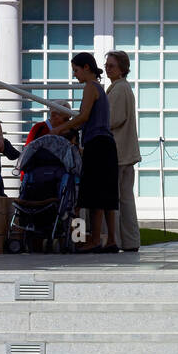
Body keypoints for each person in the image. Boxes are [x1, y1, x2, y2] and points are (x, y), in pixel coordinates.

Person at [53, 52, 119, 253]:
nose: (75, 75)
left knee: (93, 194)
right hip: (107, 144)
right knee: (107, 195)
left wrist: (59, 129)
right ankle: (111, 241)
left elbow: (83, 117)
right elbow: (89, 119)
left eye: (76, 70)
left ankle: (95, 239)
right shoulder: (101, 89)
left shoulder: (91, 87)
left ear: (86, 68)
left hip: (97, 144)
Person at [105, 50, 140, 252]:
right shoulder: (122, 88)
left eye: (112, 66)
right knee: (126, 200)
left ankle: (116, 239)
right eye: (107, 65)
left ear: (122, 69)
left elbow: (113, 119)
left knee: (117, 200)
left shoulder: (119, 89)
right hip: (125, 153)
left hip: (118, 153)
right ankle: (130, 241)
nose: (108, 69)